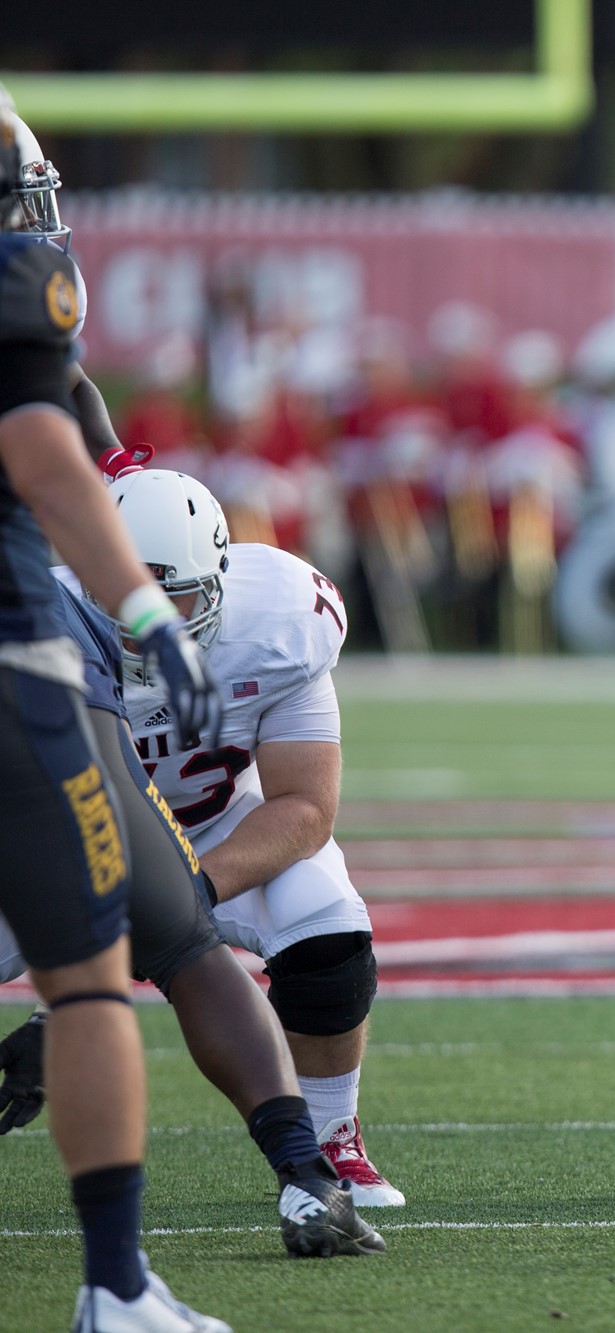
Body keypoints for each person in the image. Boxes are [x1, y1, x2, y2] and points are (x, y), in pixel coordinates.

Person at [0, 460, 382, 1258]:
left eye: (169, 596)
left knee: (326, 919)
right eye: (122, 587)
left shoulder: (277, 616)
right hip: (48, 833)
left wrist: (186, 889)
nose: (141, 620)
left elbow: (305, 807)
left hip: (217, 835)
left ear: (215, 583)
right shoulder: (47, 614)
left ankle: (327, 1140)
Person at [0, 92, 230, 1331]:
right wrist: (144, 611)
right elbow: (43, 450)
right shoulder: (17, 278)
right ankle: (117, 1286)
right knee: (88, 984)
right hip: (10, 670)